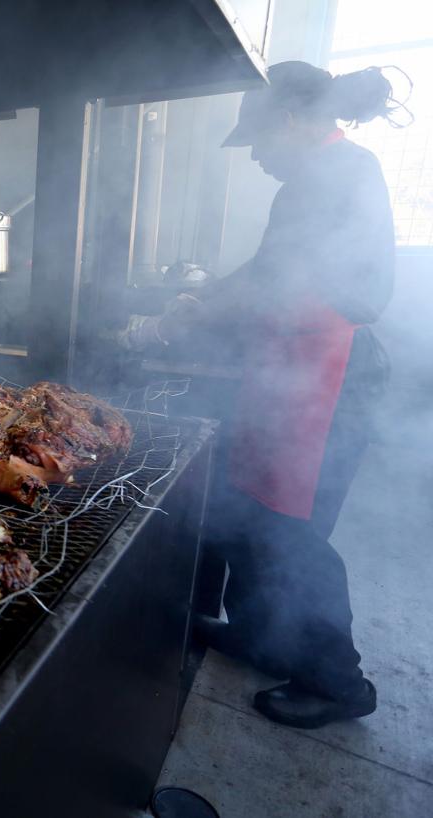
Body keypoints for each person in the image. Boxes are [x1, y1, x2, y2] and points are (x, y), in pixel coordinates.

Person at [121, 61, 399, 728]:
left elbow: (313, 286)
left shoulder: (335, 171)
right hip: (296, 372)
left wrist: (172, 322)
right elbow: (268, 270)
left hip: (330, 377)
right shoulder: (319, 175)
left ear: (292, 120)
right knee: (253, 510)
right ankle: (262, 637)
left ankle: (339, 683)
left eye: (259, 141)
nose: (259, 159)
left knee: (290, 531)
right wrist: (205, 299)